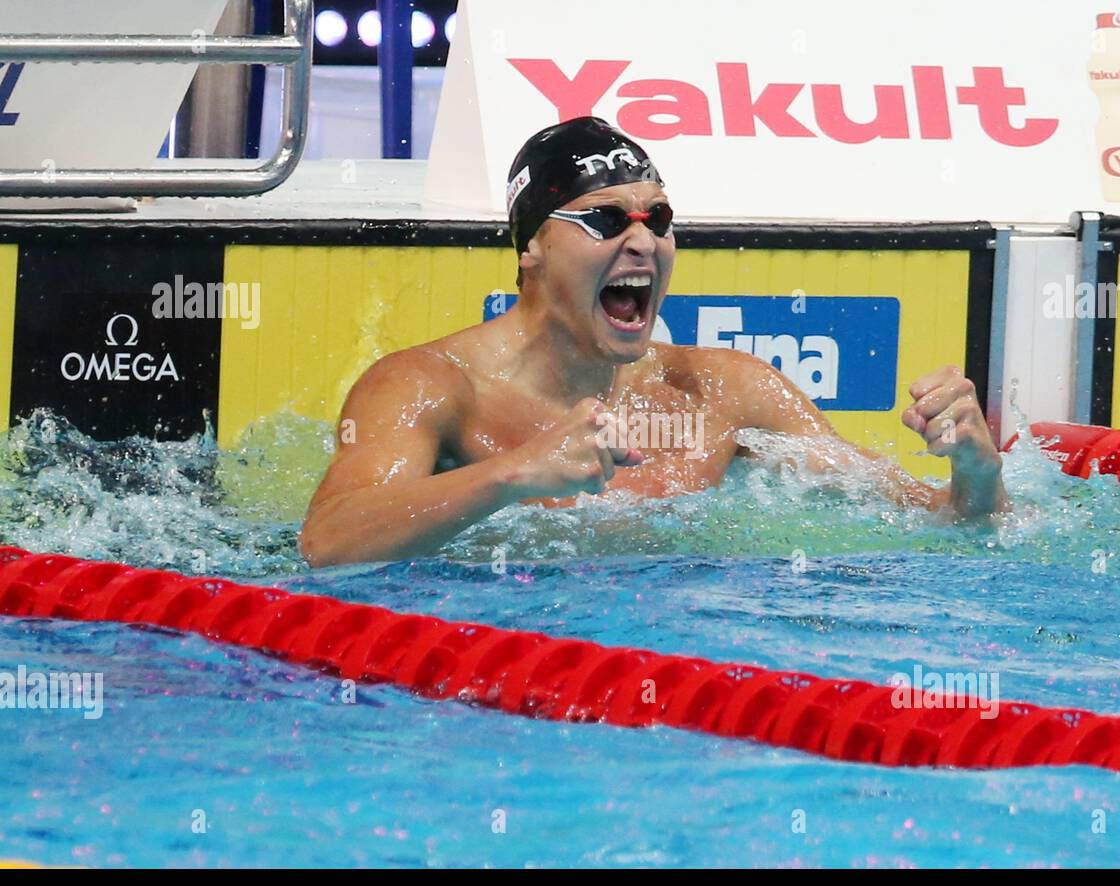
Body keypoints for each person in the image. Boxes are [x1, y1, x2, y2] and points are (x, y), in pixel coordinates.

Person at [301, 117, 1008, 568]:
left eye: (658, 217)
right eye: (606, 222)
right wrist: (512, 474)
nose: (643, 239)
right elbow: (330, 541)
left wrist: (975, 473)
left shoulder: (726, 393)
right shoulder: (431, 386)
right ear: (532, 251)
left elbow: (945, 526)